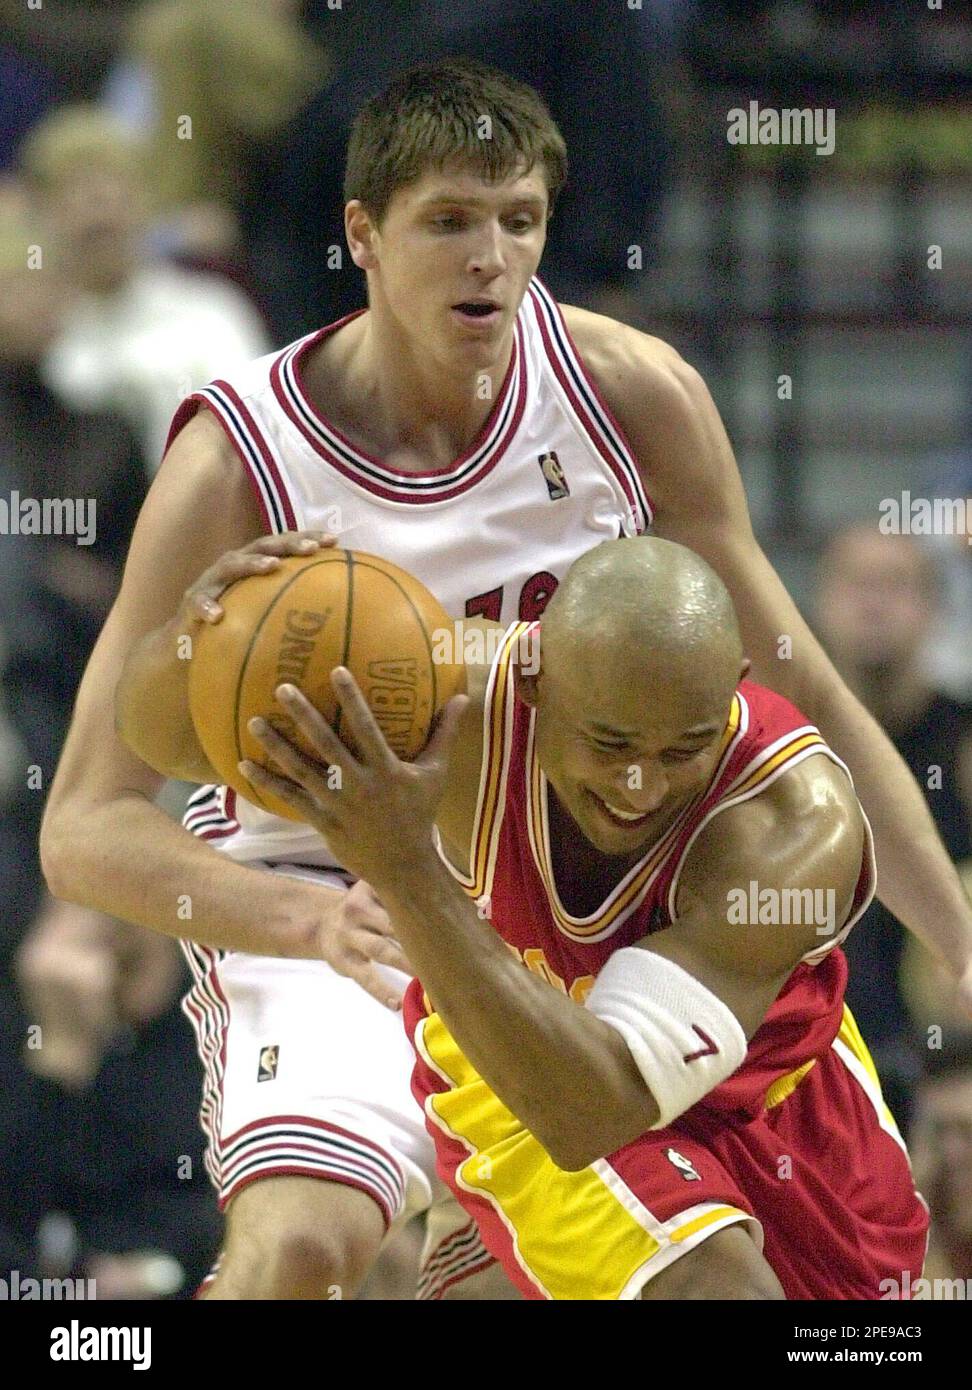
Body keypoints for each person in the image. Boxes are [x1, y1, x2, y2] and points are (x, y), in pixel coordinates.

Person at [45, 58, 970, 1302]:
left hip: (571, 896)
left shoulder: (627, 393)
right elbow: (86, 828)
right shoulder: (236, 461)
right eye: (450, 221)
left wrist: (957, 943)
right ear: (362, 235)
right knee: (298, 1252)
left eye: (519, 220)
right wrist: (304, 917)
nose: (490, 255)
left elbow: (805, 700)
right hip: (334, 892)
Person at [230, 535, 930, 1300]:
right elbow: (582, 1123)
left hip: (772, 1085)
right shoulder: (445, 691)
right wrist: (215, 629)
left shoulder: (797, 823)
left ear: (733, 688)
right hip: (522, 1053)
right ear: (533, 681)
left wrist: (407, 871)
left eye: (684, 750)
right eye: (611, 743)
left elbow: (608, 1095)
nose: (641, 784)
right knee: (716, 1289)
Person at [815, 525, 972, 1135]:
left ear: (933, 610)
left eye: (896, 586)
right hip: (814, 1059)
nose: (874, 603)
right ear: (820, 603)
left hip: (946, 1064)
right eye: (858, 584)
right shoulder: (773, 742)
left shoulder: (962, 747)